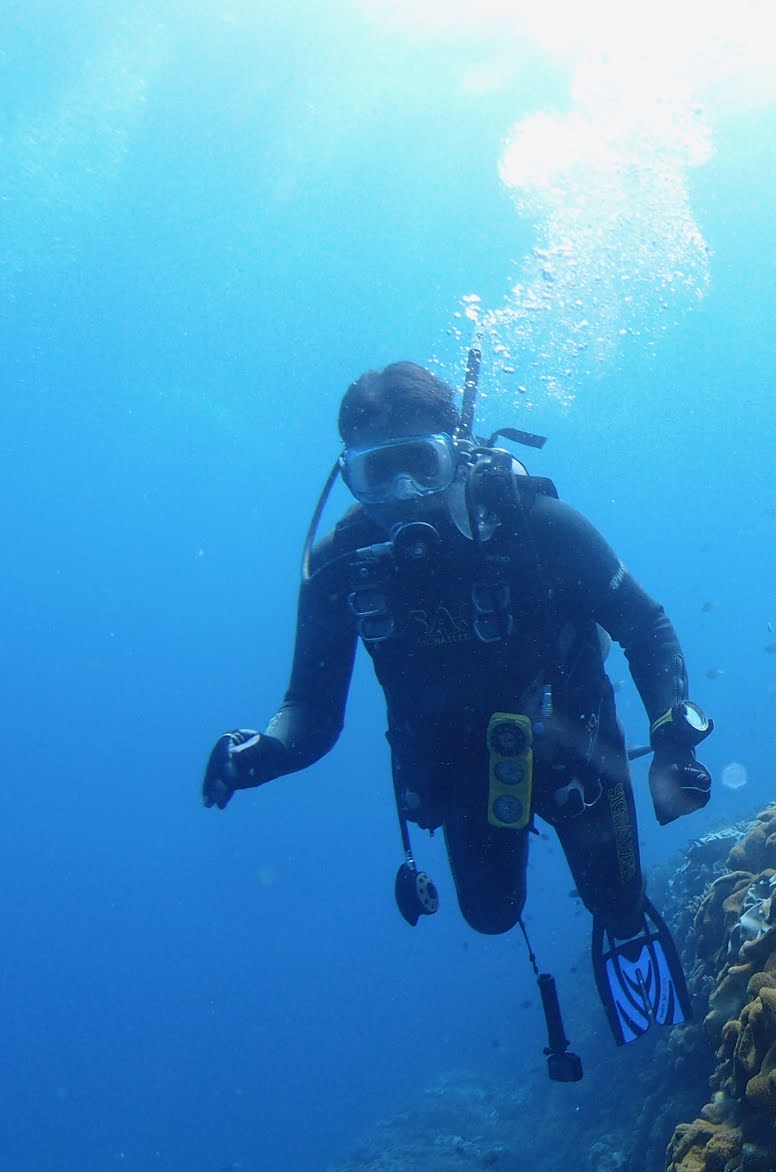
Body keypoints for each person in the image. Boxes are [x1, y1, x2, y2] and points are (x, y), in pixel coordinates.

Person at [202, 359, 712, 1064]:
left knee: (619, 905)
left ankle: (642, 974)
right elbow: (309, 711)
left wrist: (671, 738)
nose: (402, 493)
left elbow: (644, 625)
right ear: (348, 476)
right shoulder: (341, 567)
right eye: (377, 474)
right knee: (490, 914)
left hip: (577, 751)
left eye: (418, 463)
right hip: (460, 775)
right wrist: (264, 751)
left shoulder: (537, 526)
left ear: (457, 449)